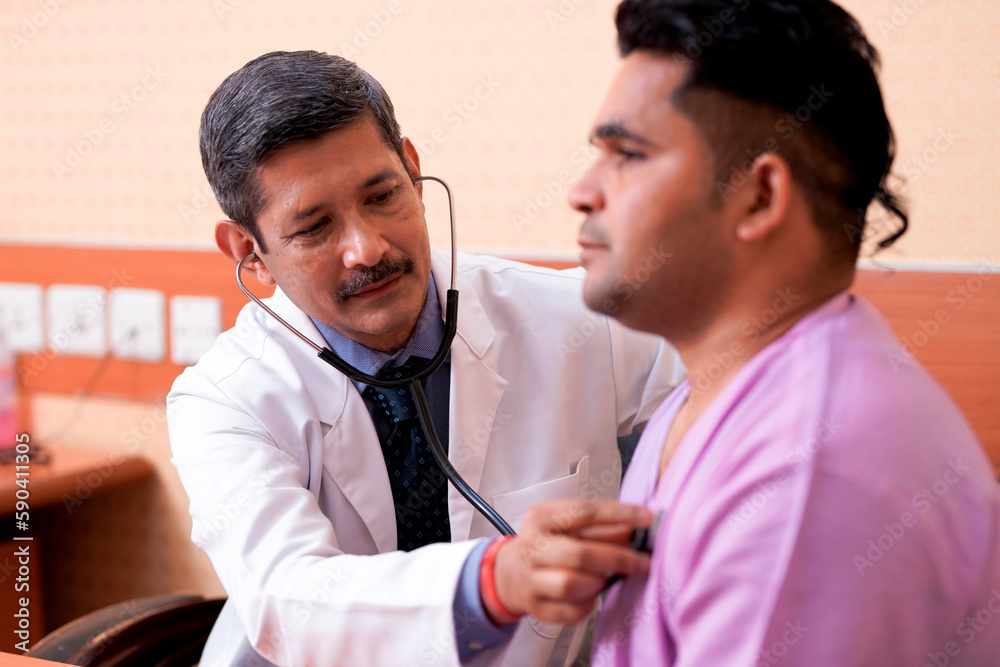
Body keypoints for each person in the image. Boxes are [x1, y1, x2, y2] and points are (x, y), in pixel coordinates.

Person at [167, 50, 681, 667]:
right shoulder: (224, 399)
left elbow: (743, 376)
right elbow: (288, 599)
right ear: (248, 249)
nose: (367, 248)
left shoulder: (578, 321)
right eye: (315, 228)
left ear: (412, 170)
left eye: (382, 196)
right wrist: (493, 580)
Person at [550, 0, 1000, 664]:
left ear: (758, 196)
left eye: (629, 154)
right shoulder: (708, 396)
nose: (582, 191)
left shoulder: (806, 473)